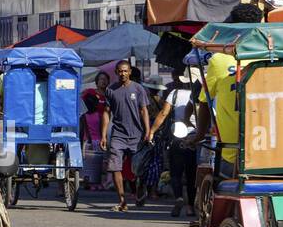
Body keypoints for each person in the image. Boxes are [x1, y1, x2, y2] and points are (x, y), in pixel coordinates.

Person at [189, 0, 265, 178]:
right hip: (266, 148)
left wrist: (199, 134)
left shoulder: (219, 59)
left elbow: (205, 103)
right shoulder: (268, 58)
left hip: (231, 152)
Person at [101, 60, 151, 213]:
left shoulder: (138, 89)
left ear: (129, 72)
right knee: (115, 166)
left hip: (137, 135)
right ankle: (122, 201)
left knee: (137, 170)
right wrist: (103, 135)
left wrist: (148, 131)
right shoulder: (111, 90)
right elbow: (106, 112)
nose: (122, 74)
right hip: (118, 135)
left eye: (125, 71)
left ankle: (140, 188)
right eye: (120, 71)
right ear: (116, 72)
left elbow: (144, 111)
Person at [149, 67, 199, 218]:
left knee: (176, 173)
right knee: (191, 174)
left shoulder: (174, 94)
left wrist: (151, 131)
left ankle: (178, 198)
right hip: (196, 137)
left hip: (177, 135)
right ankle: (190, 207)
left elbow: (163, 114)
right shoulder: (201, 94)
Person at [81, 71, 110, 188]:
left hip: (105, 130)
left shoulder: (110, 94)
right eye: (101, 79)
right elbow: (81, 107)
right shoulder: (89, 93)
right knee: (91, 156)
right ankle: (90, 181)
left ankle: (102, 182)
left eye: (105, 79)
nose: (103, 81)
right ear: (96, 81)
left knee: (104, 158)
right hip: (90, 131)